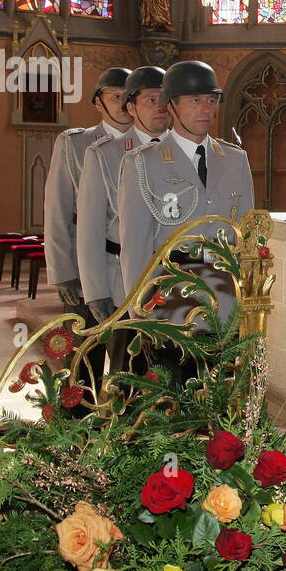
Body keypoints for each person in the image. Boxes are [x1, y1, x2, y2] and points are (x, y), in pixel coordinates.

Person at [116, 61, 255, 381]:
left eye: (211, 100)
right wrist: (140, 314)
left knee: (224, 409)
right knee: (172, 409)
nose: (205, 109)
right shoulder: (143, 163)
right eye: (194, 100)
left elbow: (247, 235)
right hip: (171, 308)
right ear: (172, 105)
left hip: (226, 306)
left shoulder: (235, 159)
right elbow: (135, 244)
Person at [76, 66, 169, 375]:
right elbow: (89, 230)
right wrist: (95, 292)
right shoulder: (105, 153)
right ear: (131, 107)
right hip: (122, 285)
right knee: (126, 377)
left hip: (173, 284)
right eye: (151, 100)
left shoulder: (186, 151)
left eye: (165, 100)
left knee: (172, 376)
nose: (160, 108)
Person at [44, 66, 133, 315]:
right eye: (115, 96)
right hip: (85, 266)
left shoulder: (154, 145)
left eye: (128, 96)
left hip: (134, 267)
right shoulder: (75, 143)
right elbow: (57, 212)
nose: (123, 104)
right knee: (82, 348)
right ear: (98, 103)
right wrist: (62, 272)